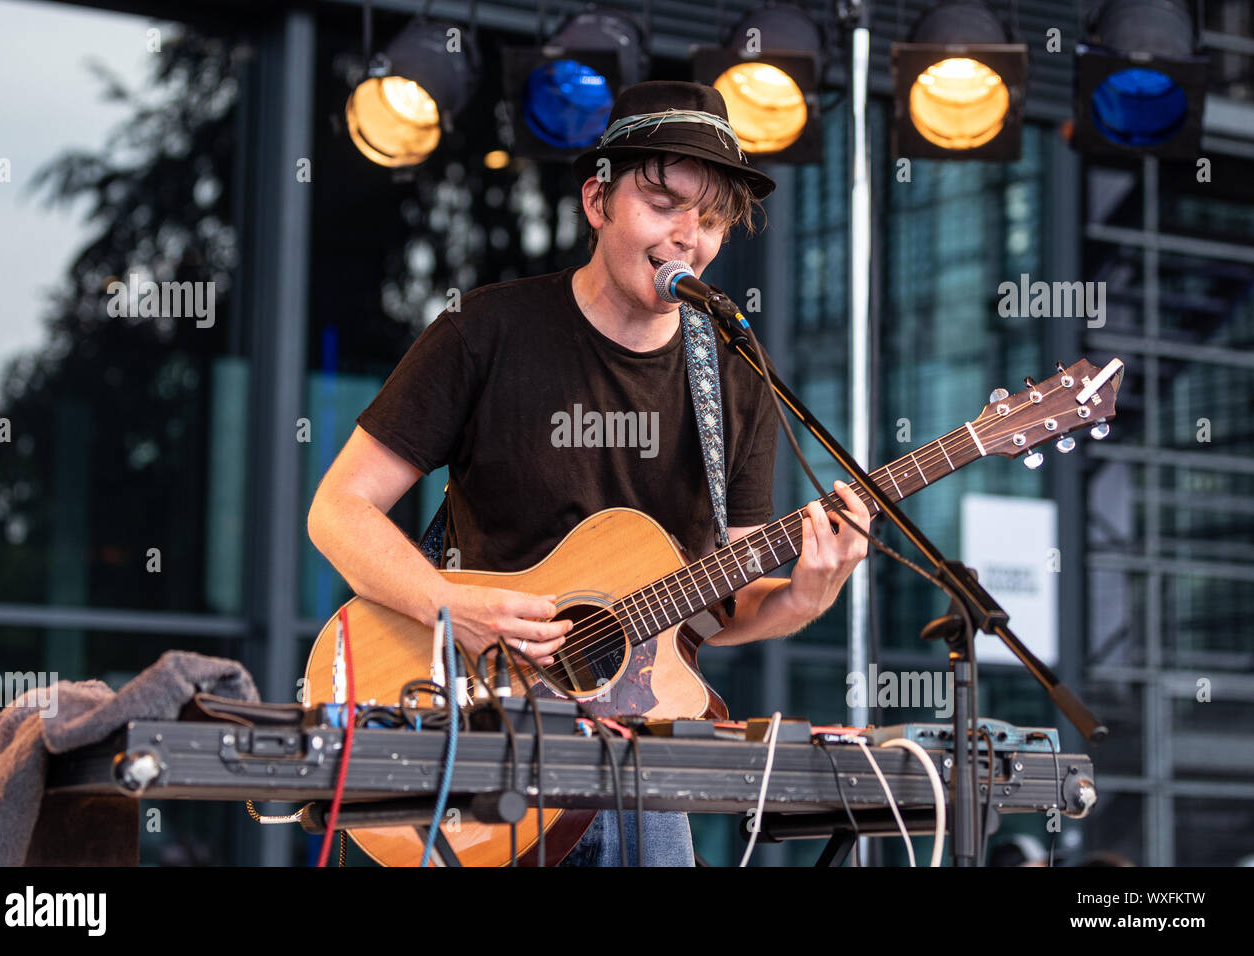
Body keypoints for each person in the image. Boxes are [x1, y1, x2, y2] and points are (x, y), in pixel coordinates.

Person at [307, 80, 871, 867]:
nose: (689, 237)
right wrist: (445, 607)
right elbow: (338, 509)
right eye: (665, 204)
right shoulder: (487, 331)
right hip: (475, 740)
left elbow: (721, 607)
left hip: (637, 765)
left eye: (709, 220)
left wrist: (809, 594)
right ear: (597, 201)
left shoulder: (736, 373)